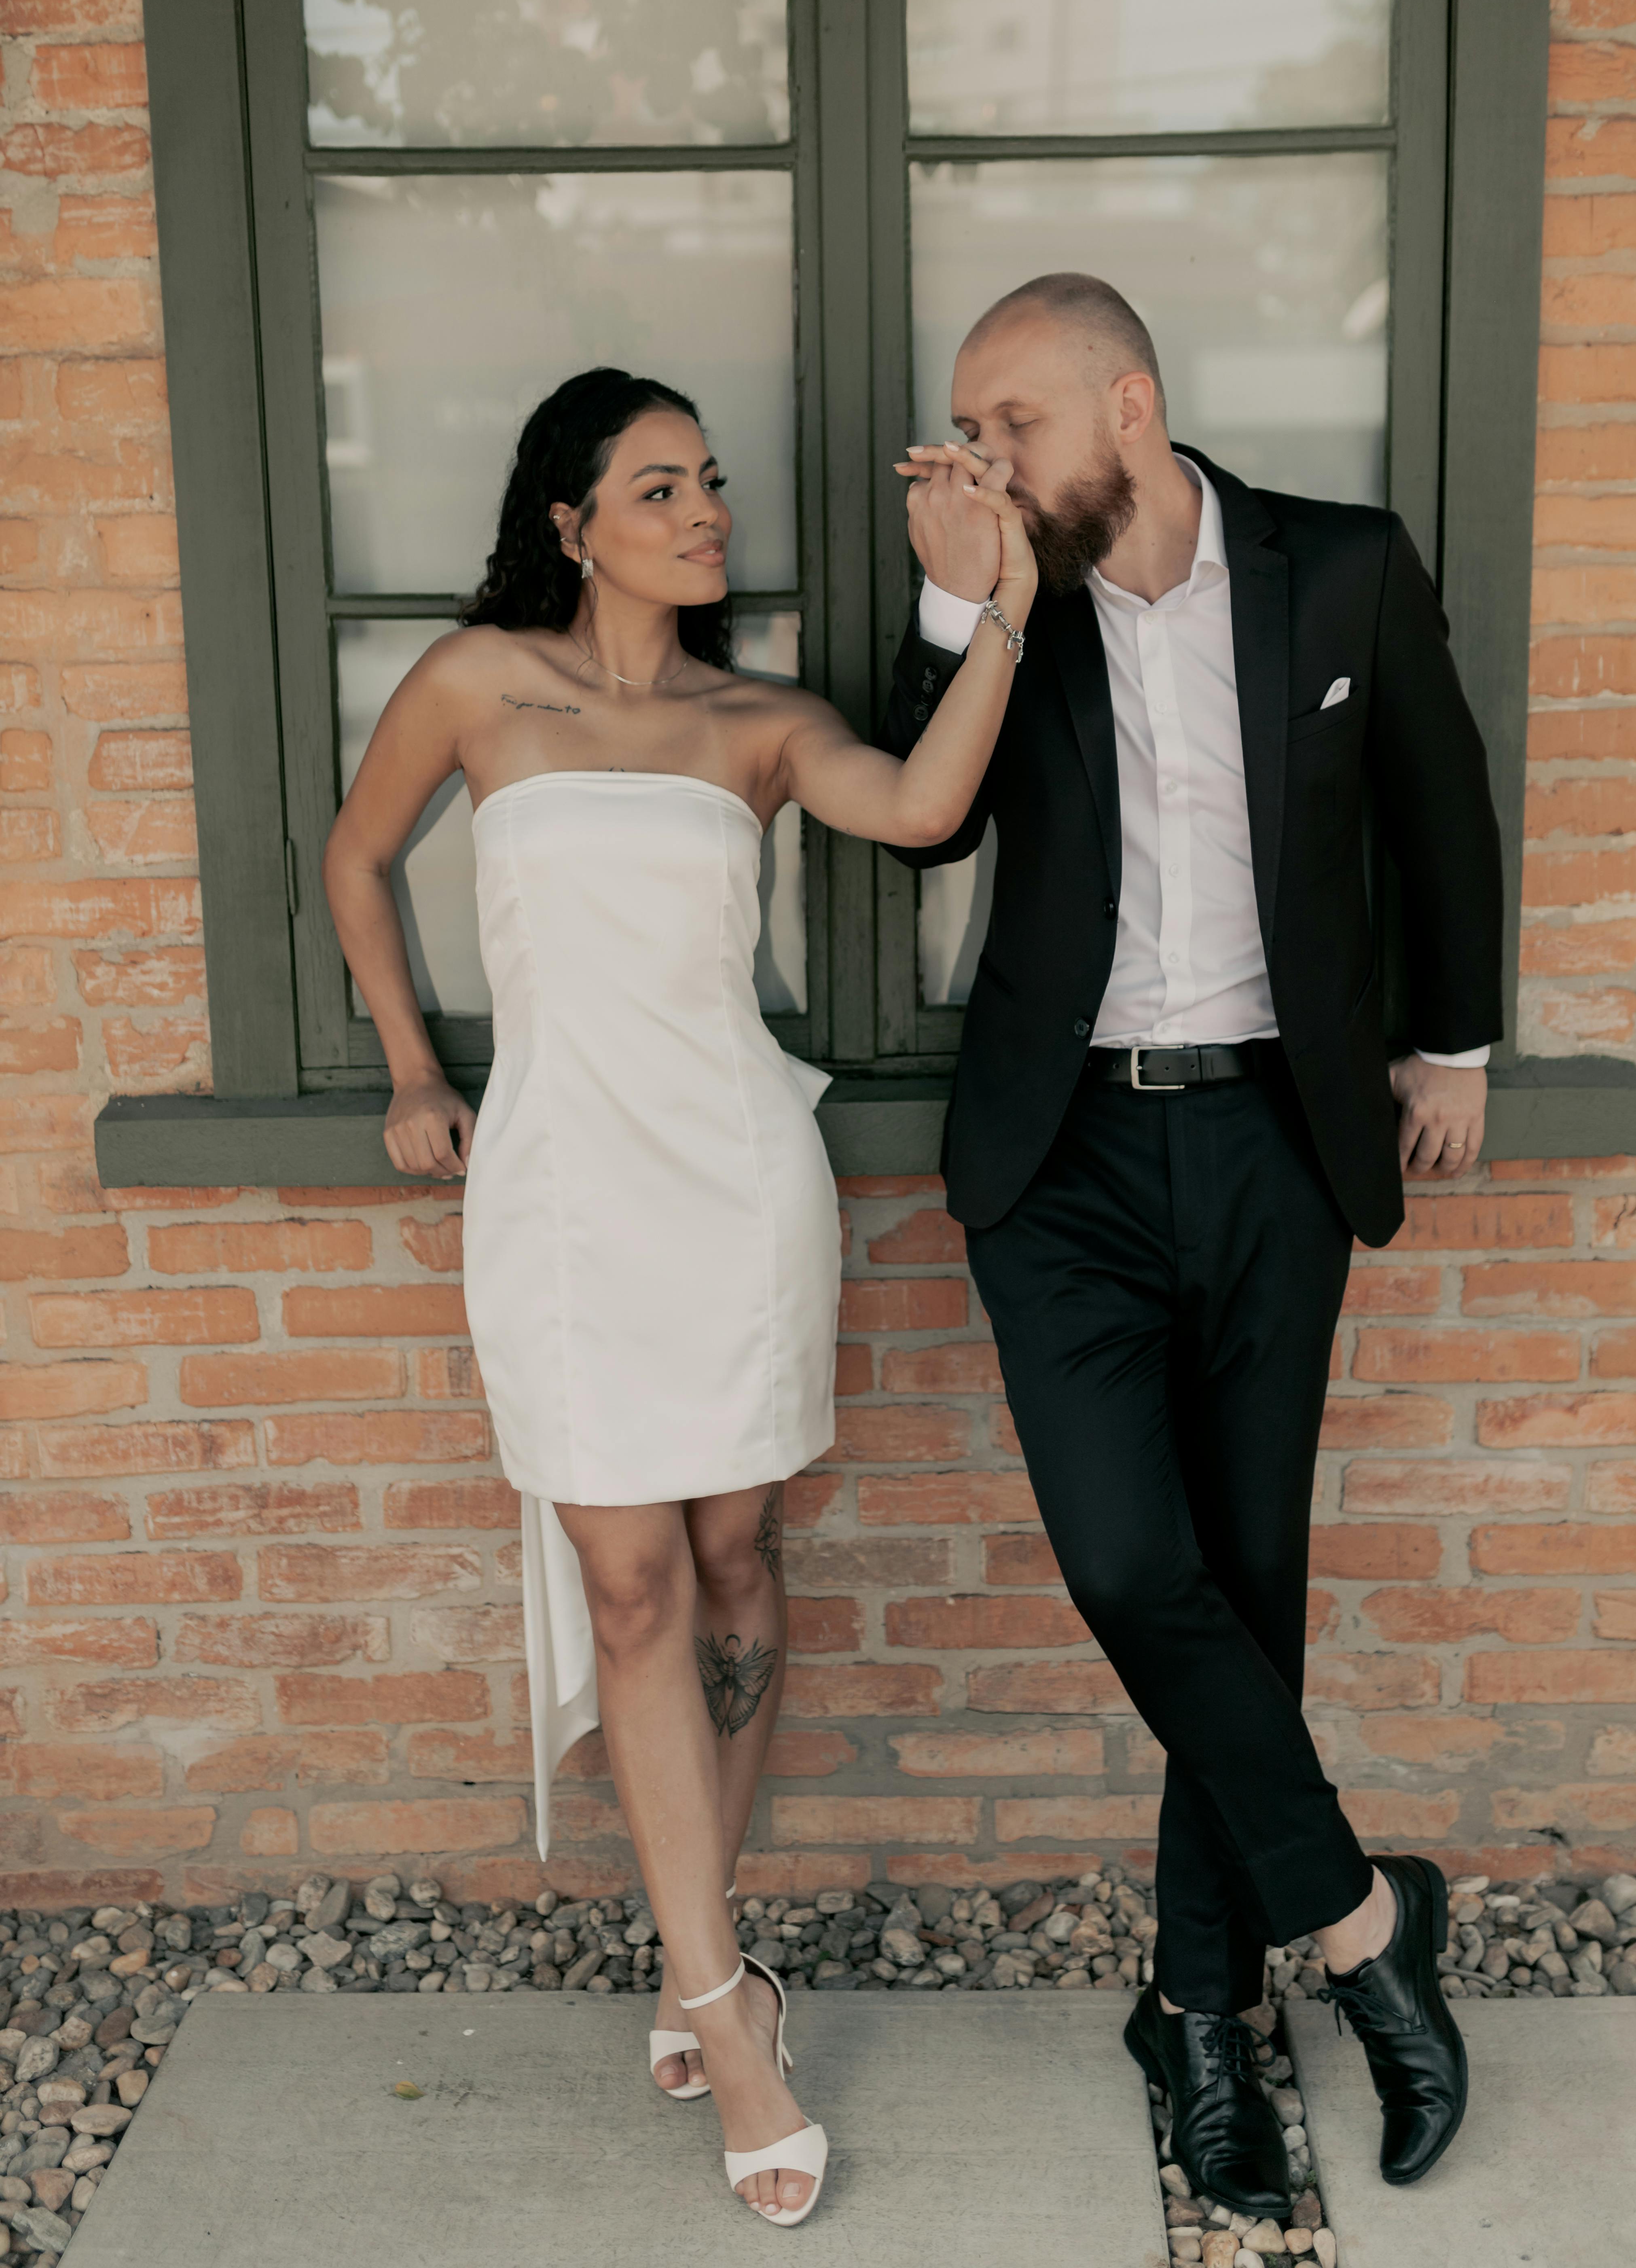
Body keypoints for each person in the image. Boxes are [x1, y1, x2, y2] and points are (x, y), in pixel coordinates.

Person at [323, 364, 1035, 2230]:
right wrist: (412, 1069)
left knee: (734, 1573)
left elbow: (922, 804)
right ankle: (726, 2019)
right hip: (560, 1194)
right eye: (658, 488)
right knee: (624, 1575)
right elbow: (356, 857)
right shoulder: (482, 685)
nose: (702, 512)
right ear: (569, 524)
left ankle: (689, 1947)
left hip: (733, 1186)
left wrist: (1004, 609)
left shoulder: (757, 722)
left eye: (707, 482)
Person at [880, 275, 1498, 2212]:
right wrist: (959, 593)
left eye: (1011, 425)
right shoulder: (1014, 602)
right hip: (1058, 1157)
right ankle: (1358, 1924)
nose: (981, 458)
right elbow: (922, 832)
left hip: (1268, 1138)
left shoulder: (1333, 568)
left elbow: (1438, 810)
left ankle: (1193, 2008)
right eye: (966, 432)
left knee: (1243, 1584)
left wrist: (1454, 1041)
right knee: (1137, 1565)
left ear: (1127, 407)